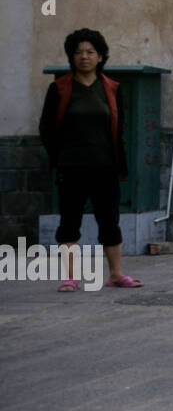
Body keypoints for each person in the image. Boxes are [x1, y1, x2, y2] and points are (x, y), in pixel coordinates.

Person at [38, 29, 141, 291]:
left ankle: (116, 274)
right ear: (71, 57)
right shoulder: (59, 88)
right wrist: (59, 157)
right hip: (71, 166)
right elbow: (46, 128)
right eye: (79, 52)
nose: (84, 56)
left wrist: (119, 163)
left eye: (90, 52)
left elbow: (119, 128)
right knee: (69, 222)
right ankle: (71, 277)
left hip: (104, 166)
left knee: (109, 221)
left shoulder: (111, 88)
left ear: (100, 56)